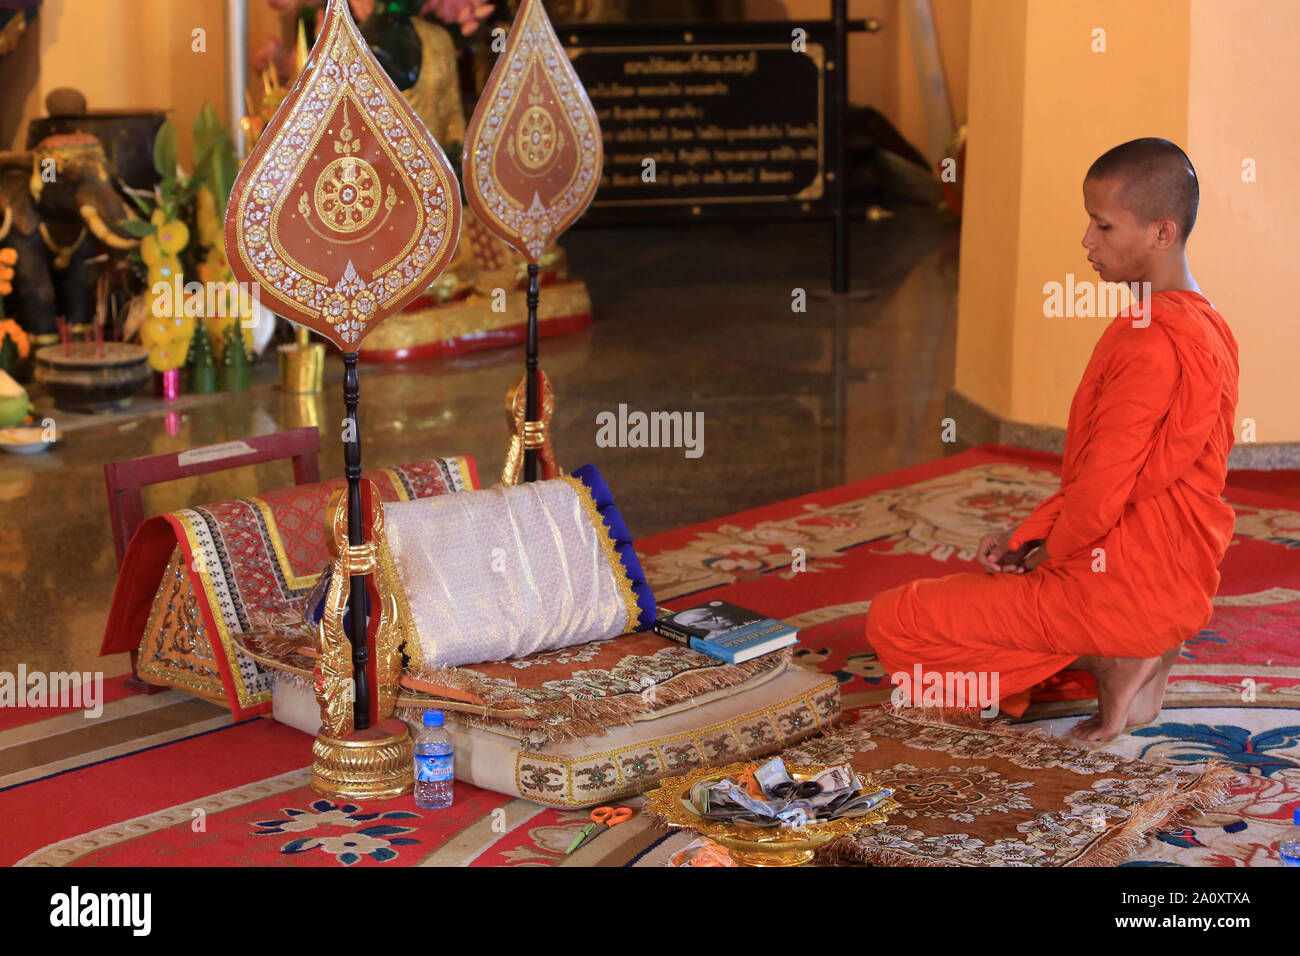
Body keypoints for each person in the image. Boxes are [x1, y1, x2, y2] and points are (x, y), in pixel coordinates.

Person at [866, 137, 1239, 742]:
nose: (1087, 242)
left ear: (1162, 233)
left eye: (1103, 225)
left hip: (1119, 585)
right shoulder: (1208, 320)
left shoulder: (1150, 342)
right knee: (990, 611)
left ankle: (1115, 655)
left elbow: (1098, 495)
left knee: (896, 619)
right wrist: (1027, 536)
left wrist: (1044, 557)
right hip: (1173, 580)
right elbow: (1127, 478)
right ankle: (1136, 649)